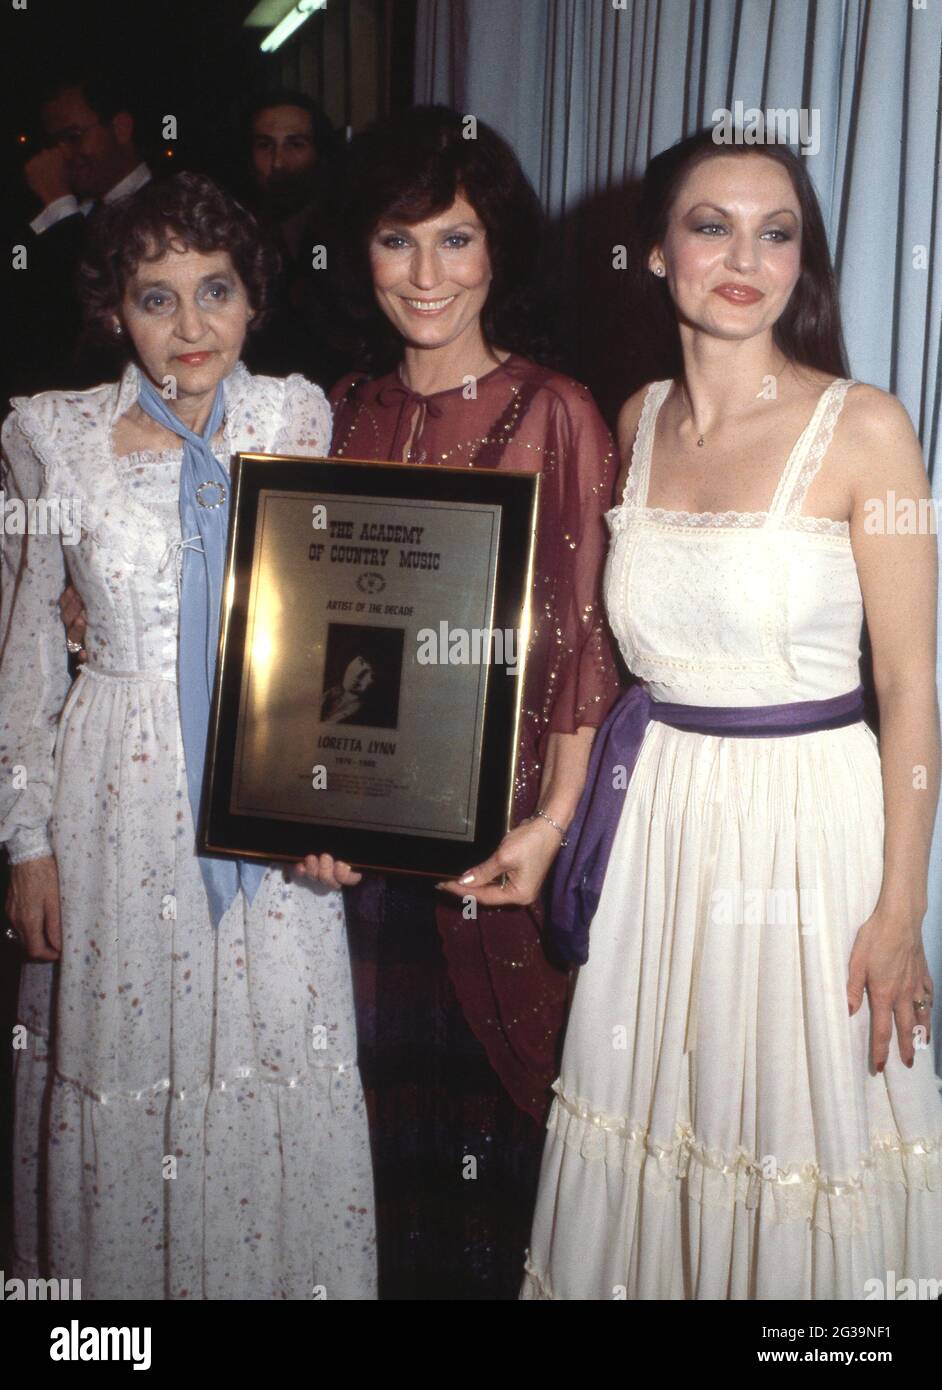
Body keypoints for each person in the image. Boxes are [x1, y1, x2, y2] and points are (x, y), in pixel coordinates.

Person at [522, 127, 942, 1300]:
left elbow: (913, 689)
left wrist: (901, 906)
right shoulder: (637, 414)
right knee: (665, 1120)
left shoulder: (868, 427)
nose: (743, 256)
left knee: (806, 1135)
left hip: (811, 834)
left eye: (777, 231)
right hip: (661, 829)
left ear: (803, 260)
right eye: (711, 225)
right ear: (658, 252)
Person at [0, 172, 375, 1300]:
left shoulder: (295, 415)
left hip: (261, 786)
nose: (191, 325)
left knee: (275, 1057)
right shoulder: (49, 437)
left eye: (215, 291)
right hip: (112, 797)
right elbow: (19, 658)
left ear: (255, 300)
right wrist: (24, 840)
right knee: (125, 1072)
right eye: (155, 297)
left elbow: (334, 626)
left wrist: (334, 802)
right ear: (114, 308)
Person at [290, 106, 623, 1300]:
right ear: (360, 255)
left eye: (457, 239)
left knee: (496, 1183)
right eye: (396, 241)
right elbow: (296, 650)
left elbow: (586, 653)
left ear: (498, 253)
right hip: (359, 879)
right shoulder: (336, 411)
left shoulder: (557, 414)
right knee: (366, 1171)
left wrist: (549, 829)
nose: (427, 275)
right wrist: (298, 815)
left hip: (502, 862)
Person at [13, 70, 152, 396]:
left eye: (74, 137)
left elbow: (92, 306)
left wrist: (59, 206)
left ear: (120, 128)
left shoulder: (164, 204)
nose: (63, 155)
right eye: (55, 142)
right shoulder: (74, 212)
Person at [239, 90, 344, 387]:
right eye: (264, 146)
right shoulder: (236, 239)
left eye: (295, 145)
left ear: (319, 152)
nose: (278, 163)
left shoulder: (349, 237)